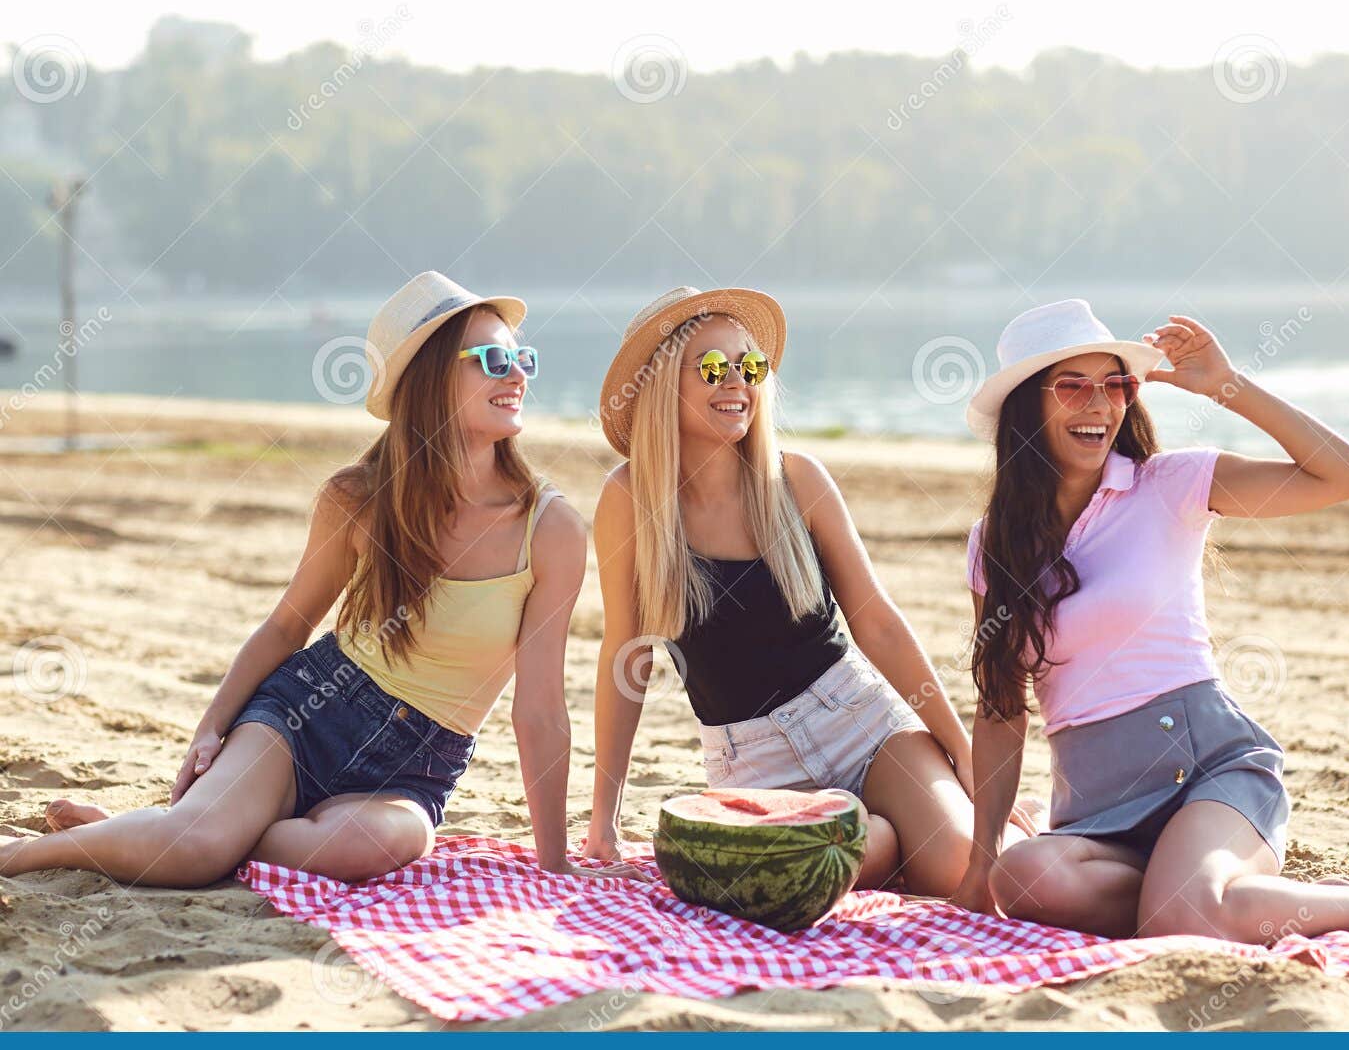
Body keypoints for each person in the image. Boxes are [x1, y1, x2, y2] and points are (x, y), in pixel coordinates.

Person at [1, 272, 634, 887]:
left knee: (387, 844)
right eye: (494, 358)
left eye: (523, 356)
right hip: (307, 714)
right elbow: (287, 626)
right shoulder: (358, 497)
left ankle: (172, 829)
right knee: (194, 850)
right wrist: (212, 724)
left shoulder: (549, 528)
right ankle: (31, 853)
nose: (518, 372)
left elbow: (541, 707)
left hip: (415, 771)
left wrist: (554, 863)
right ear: (431, 376)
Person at [950, 299, 1349, 939]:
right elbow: (999, 707)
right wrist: (981, 859)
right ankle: (1215, 895)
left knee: (1184, 918)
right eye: (1072, 386)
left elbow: (1347, 475)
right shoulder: (991, 543)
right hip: (1099, 812)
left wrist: (1227, 387)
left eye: (1116, 385)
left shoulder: (1173, 483)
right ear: (1026, 408)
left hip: (1210, 774)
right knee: (1019, 880)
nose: (1099, 405)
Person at [583, 287, 1032, 894]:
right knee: (804, 870)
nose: (736, 382)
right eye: (714, 368)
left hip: (863, 723)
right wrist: (603, 819)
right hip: (755, 764)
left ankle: (895, 834)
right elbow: (625, 657)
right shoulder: (630, 498)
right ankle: (886, 841)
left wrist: (963, 754)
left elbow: (876, 621)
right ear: (664, 384)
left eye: (750, 366)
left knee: (959, 868)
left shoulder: (797, 479)